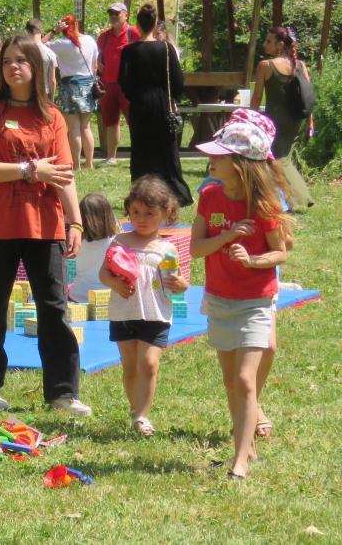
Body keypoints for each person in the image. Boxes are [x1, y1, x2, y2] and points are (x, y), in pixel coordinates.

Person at [0, 35, 92, 416]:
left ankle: (63, 393)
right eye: (7, 62)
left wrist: (76, 223)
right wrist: (29, 169)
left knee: (54, 308)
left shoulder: (52, 116)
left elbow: (64, 175)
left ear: (38, 68)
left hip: (46, 226)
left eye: (22, 61)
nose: (13, 67)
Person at [191, 109, 293, 480]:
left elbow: (280, 252)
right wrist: (227, 238)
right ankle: (244, 441)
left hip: (255, 300)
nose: (210, 161)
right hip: (219, 298)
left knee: (246, 381)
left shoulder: (264, 205)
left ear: (239, 164)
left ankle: (239, 462)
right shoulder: (209, 197)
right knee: (230, 381)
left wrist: (252, 260)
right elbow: (196, 249)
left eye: (217, 156)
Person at [99, 175, 189, 437]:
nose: (141, 218)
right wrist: (114, 283)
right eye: (135, 212)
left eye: (149, 213)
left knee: (148, 364)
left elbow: (180, 282)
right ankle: (135, 409)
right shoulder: (120, 242)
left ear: (166, 213)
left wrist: (180, 284)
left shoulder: (166, 247)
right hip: (124, 312)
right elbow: (103, 274)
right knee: (129, 365)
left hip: (156, 313)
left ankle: (142, 415)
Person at [119, 4, 192, 206]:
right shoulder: (167, 49)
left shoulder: (129, 51)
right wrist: (172, 99)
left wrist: (136, 96)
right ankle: (175, 191)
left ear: (137, 24)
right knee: (166, 149)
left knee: (141, 150)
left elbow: (124, 83)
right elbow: (178, 81)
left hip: (140, 106)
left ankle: (141, 192)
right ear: (155, 23)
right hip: (163, 105)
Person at [249, 26, 314, 211]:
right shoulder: (300, 65)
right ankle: (281, 199)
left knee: (279, 161)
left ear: (279, 45)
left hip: (273, 122)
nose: (264, 44)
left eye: (268, 41)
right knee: (283, 159)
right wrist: (310, 122)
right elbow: (308, 97)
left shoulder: (265, 66)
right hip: (295, 121)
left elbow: (256, 98)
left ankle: (300, 198)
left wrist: (249, 119)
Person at [46, 15, 100, 170]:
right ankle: (89, 163)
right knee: (86, 127)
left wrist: (54, 31)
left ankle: (76, 165)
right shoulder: (90, 40)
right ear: (76, 24)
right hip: (88, 85)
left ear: (64, 27)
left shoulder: (62, 43)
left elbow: (40, 43)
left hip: (70, 85)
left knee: (74, 128)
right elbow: (95, 66)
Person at [97, 2, 140, 165]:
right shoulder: (104, 36)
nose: (113, 16)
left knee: (134, 121)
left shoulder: (134, 33)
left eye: (117, 13)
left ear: (126, 15)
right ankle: (111, 157)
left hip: (128, 85)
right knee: (110, 122)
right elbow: (98, 55)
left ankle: (138, 155)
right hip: (108, 85)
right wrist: (98, 63)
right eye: (111, 14)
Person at [67, 193, 118, 302]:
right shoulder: (117, 243)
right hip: (106, 299)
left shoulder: (75, 242)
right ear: (108, 217)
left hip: (78, 296)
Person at [25, 19, 58, 100]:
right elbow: (52, 81)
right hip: (44, 93)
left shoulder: (22, 51)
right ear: (41, 30)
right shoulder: (50, 53)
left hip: (25, 93)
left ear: (27, 31)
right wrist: (52, 100)